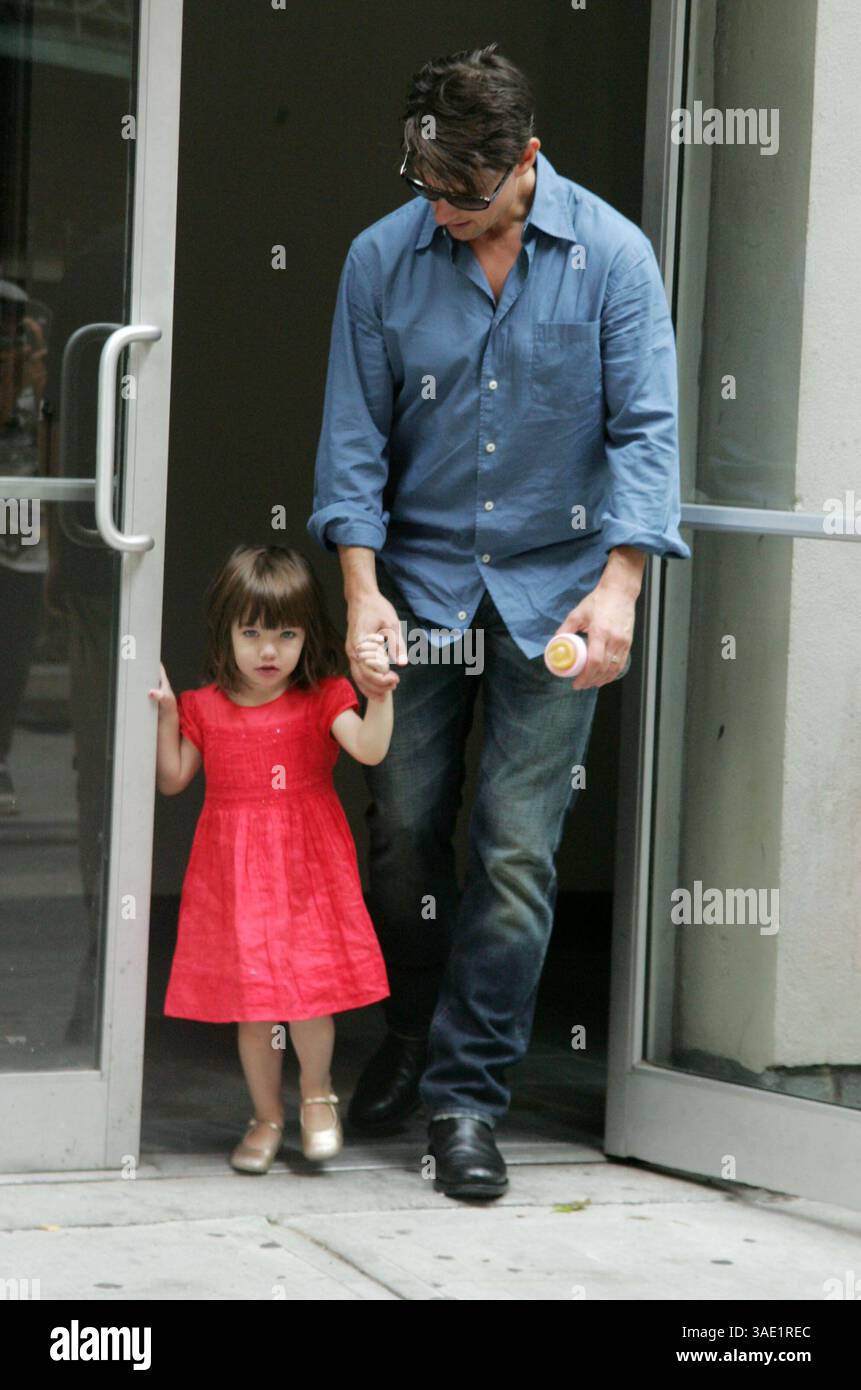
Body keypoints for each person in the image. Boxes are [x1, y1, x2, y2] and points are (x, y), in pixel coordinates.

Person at [308, 44, 691, 1200]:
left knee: (516, 853)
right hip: (417, 586)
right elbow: (354, 442)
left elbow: (647, 433)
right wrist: (362, 591)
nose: (440, 212)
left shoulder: (615, 257)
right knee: (403, 829)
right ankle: (413, 1032)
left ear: (526, 162)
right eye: (427, 189)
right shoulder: (381, 258)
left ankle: (468, 1099)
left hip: (554, 595)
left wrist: (621, 584)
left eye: (461, 199)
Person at [149, 543, 393, 1173]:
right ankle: (265, 1117)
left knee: (311, 995)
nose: (267, 651)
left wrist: (381, 694)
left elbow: (368, 749)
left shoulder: (323, 697)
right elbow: (174, 778)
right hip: (236, 875)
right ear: (225, 630)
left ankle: (317, 1097)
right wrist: (169, 715)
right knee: (256, 1007)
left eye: (286, 634)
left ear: (308, 635)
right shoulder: (206, 707)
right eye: (251, 632)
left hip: (308, 867)